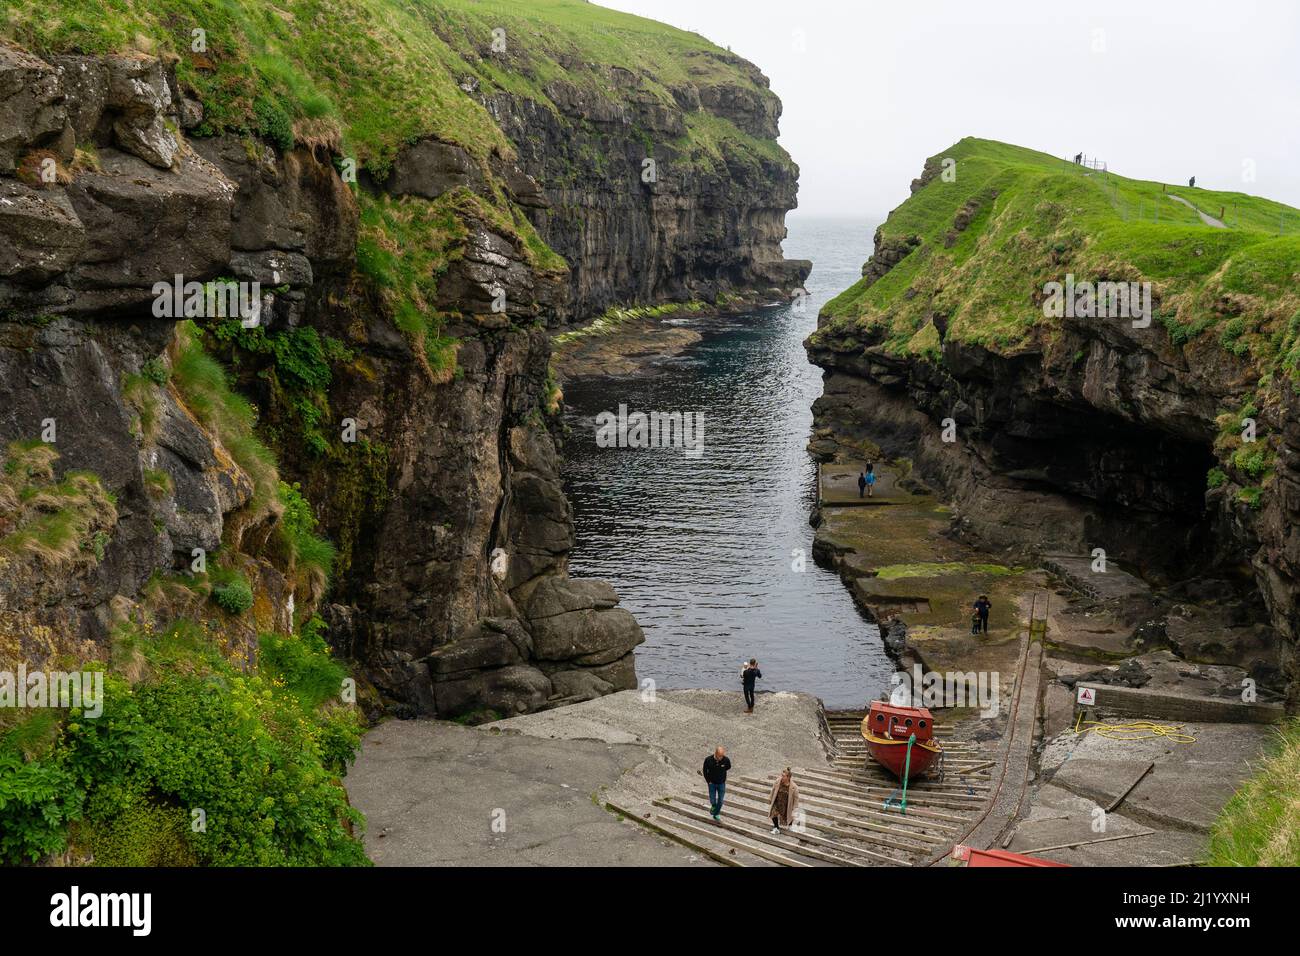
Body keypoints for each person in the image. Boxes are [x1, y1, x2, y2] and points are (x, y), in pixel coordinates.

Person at [702, 746, 731, 822]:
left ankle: (716, 814)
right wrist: (708, 781)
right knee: (712, 799)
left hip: (721, 783)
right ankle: (713, 807)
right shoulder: (708, 760)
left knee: (721, 800)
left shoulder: (726, 760)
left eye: (722, 756)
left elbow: (728, 767)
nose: (721, 758)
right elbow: (705, 771)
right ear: (715, 753)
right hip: (712, 783)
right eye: (719, 756)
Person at [768, 768, 800, 834]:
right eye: (781, 775)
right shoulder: (778, 781)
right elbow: (773, 790)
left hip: (787, 804)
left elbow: (796, 799)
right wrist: (770, 798)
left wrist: (795, 808)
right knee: (773, 813)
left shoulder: (794, 787)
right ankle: (776, 828)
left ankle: (791, 825)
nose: (781, 777)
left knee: (788, 815)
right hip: (777, 802)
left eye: (783, 776)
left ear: (788, 777)